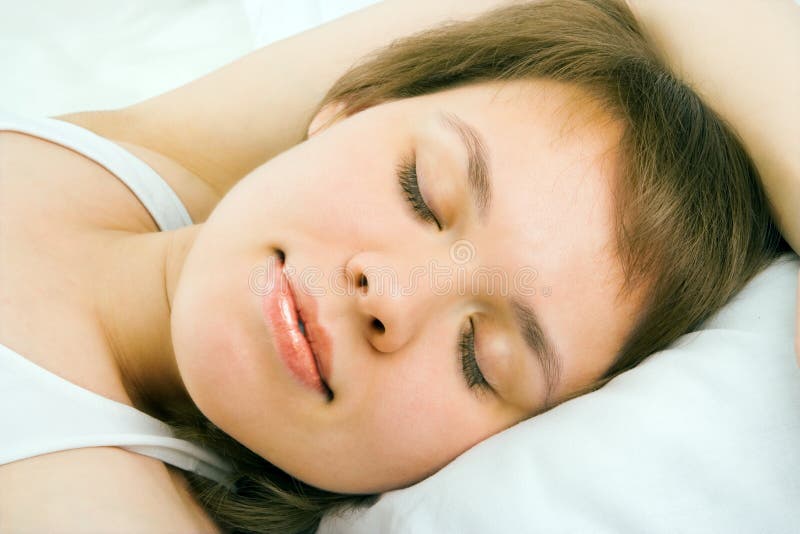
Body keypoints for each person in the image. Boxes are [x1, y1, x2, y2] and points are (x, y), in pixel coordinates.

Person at [0, 0, 796, 532]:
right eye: (422, 194)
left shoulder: (89, 504)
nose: (392, 295)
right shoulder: (158, 158)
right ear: (355, 103)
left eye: (478, 359)